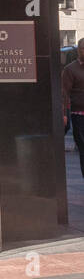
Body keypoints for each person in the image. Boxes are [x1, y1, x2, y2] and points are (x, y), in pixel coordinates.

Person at [62, 38, 84, 177]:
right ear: (78, 50)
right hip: (79, 116)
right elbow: (64, 93)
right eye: (83, 49)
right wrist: (64, 113)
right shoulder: (70, 69)